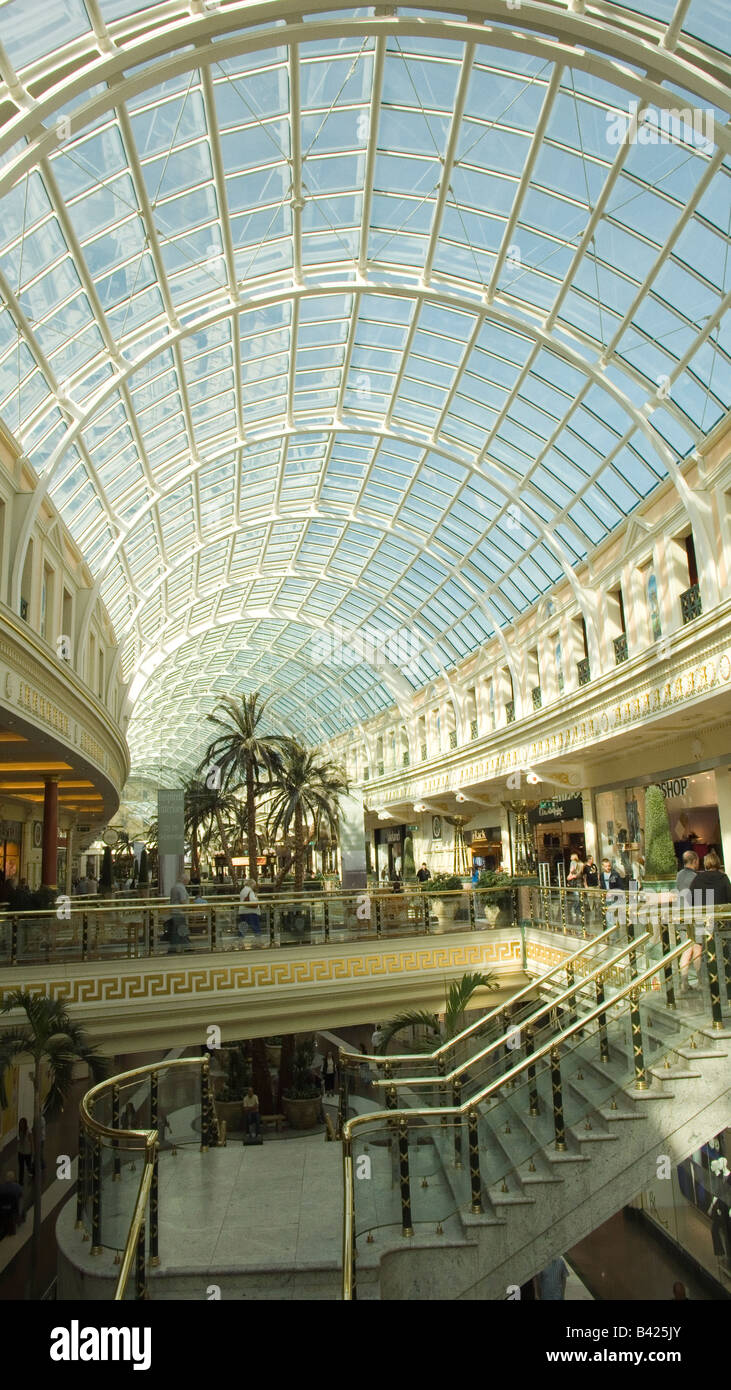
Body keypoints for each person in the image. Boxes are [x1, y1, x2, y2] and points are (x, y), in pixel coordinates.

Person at [682, 850, 731, 994]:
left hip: (702, 922)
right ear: (717, 863)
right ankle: (727, 986)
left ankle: (711, 985)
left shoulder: (698, 879)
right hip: (722, 923)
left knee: (705, 952)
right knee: (725, 953)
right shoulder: (723, 878)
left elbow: (690, 900)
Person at [168, 870, 191, 953]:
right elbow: (183, 901)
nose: (188, 882)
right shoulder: (181, 888)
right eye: (188, 881)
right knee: (181, 929)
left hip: (174, 911)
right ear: (185, 880)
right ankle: (186, 946)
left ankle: (182, 947)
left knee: (178, 930)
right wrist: (188, 909)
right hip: (179, 912)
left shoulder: (174, 886)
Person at [237, 878, 262, 943]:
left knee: (243, 926)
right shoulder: (250, 891)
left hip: (242, 911)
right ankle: (258, 940)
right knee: (255, 926)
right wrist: (256, 897)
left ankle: (240, 940)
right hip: (251, 912)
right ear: (252, 884)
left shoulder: (243, 890)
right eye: (254, 885)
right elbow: (253, 901)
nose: (255, 886)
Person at [0, 1170, 24, 1237]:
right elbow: (21, 1199)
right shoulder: (17, 1187)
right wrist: (20, 1212)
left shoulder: (1, 1187)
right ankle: (19, 1221)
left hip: (2, 1208)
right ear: (13, 1178)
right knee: (20, 1201)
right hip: (13, 1209)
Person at [566, 853, 585, 925]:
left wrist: (571, 876)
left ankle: (575, 911)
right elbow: (581, 873)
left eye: (571, 856)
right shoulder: (580, 863)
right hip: (579, 883)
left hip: (576, 883)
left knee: (577, 898)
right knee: (579, 898)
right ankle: (578, 911)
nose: (570, 858)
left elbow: (572, 871)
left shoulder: (573, 862)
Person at [17, 1118, 33, 1184]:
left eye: (22, 1123)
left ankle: (31, 1172)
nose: (21, 1125)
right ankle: (21, 1181)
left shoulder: (28, 1131)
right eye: (20, 1123)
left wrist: (32, 1151)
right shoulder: (20, 1131)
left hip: (27, 1151)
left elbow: (31, 1142)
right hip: (21, 1151)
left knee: (28, 1165)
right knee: (21, 1167)